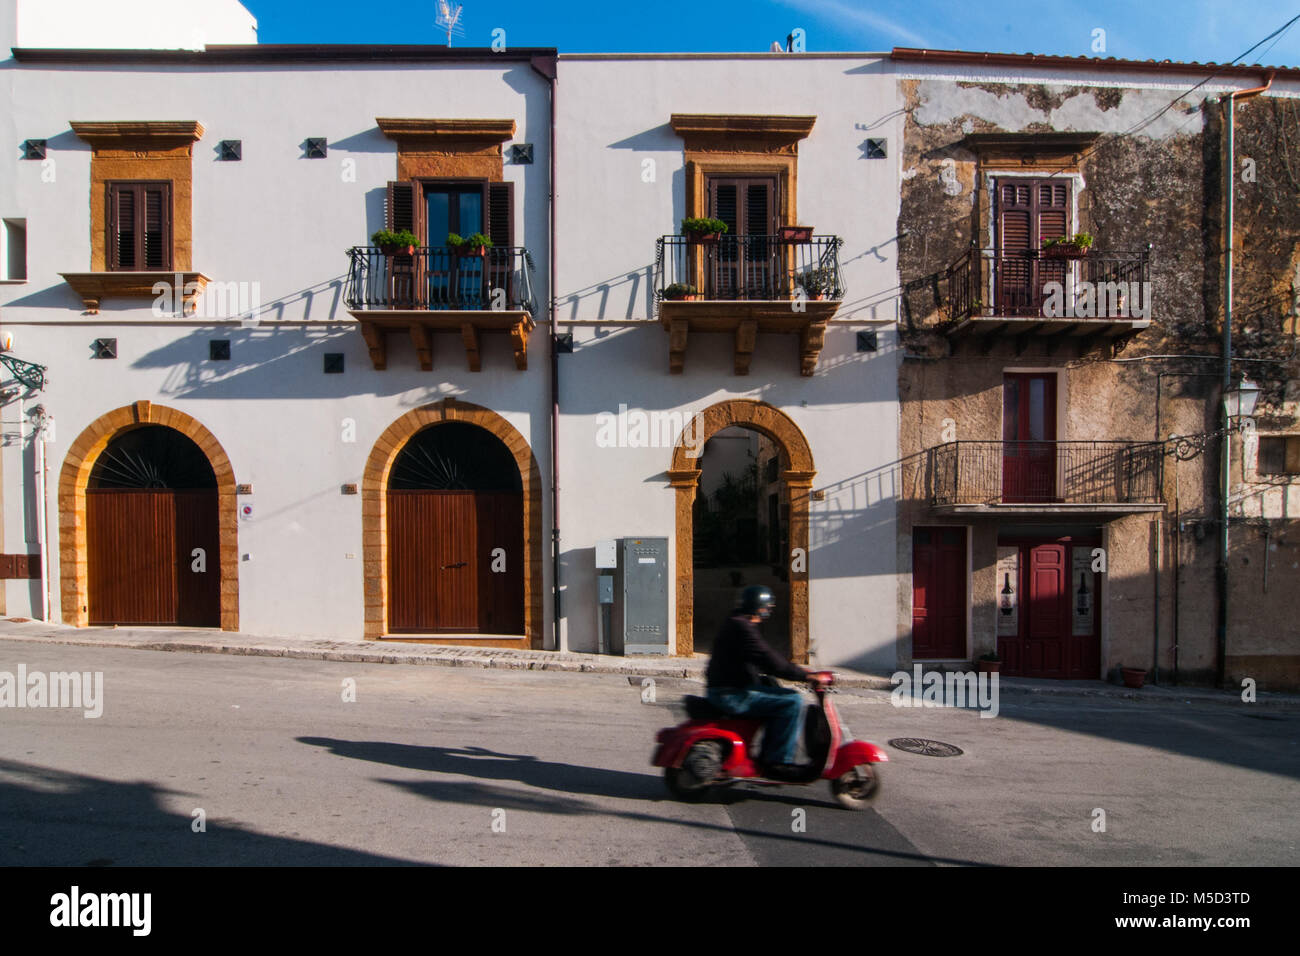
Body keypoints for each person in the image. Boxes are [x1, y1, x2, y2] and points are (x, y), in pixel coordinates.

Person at [705, 585, 822, 774]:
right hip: (731, 694)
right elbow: (769, 659)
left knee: (774, 688)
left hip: (729, 688)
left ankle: (769, 753)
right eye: (767, 607)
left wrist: (797, 671)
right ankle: (778, 761)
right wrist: (806, 676)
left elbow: (762, 658)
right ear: (758, 607)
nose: (768, 611)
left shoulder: (737, 622)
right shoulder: (742, 627)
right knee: (792, 701)